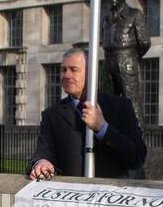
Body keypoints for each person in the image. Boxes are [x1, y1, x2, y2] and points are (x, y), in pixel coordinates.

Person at [28, 47, 147, 180]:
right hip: (71, 195)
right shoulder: (52, 114)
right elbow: (43, 152)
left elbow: (137, 155)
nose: (66, 75)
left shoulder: (120, 106)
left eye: (73, 70)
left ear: (91, 73)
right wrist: (42, 163)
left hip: (110, 194)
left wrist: (103, 129)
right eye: (63, 70)